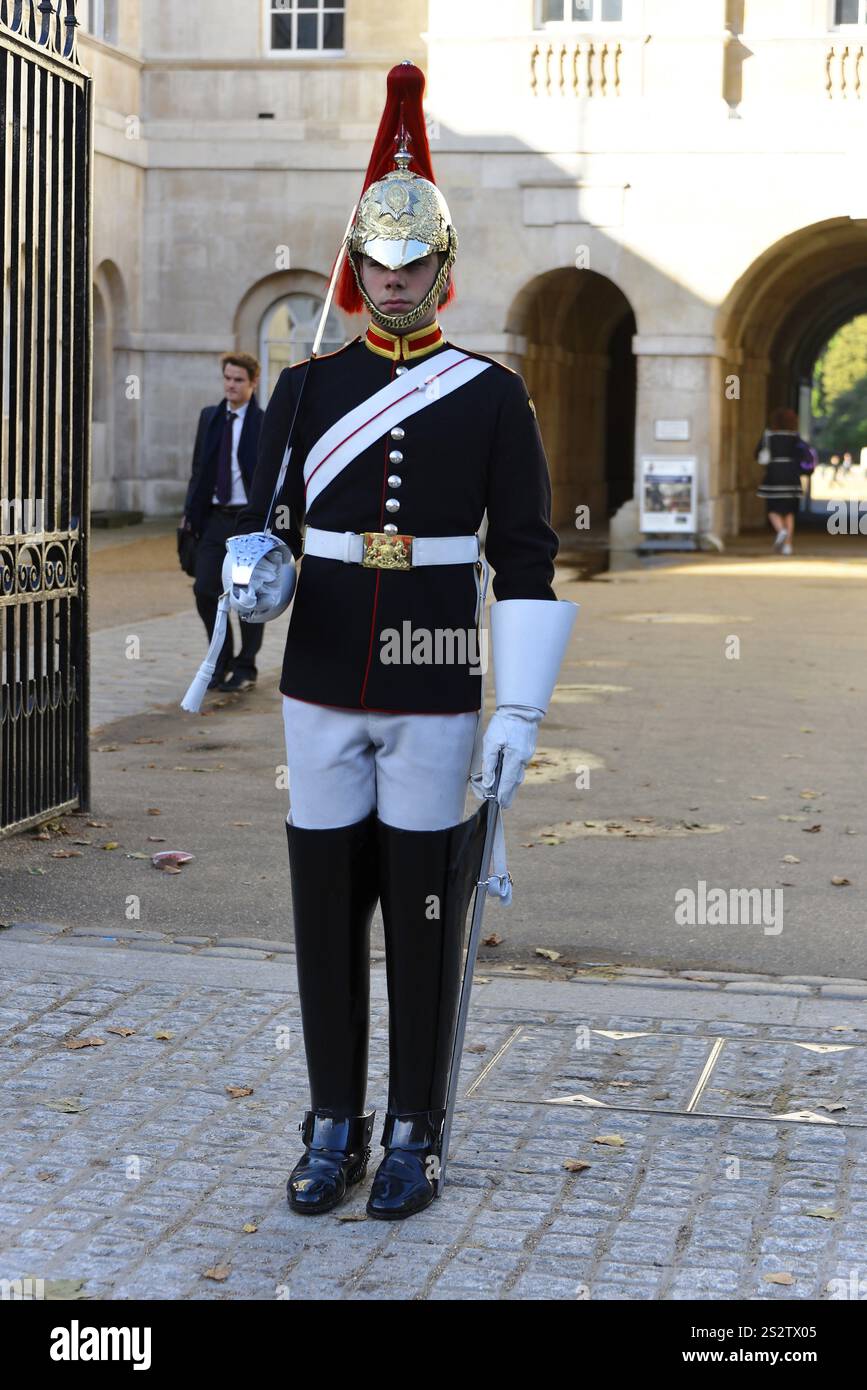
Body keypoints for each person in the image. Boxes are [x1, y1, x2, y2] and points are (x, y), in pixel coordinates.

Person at [232, 62, 577, 1221]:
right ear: (356, 264)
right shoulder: (305, 386)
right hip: (322, 676)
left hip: (436, 682)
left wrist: (519, 712)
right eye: (374, 263)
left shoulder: (492, 397)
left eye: (411, 264)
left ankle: (419, 1126)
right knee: (326, 906)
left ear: (444, 268)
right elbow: (275, 528)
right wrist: (253, 570)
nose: (389, 283)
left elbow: (525, 558)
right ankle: (336, 1117)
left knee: (427, 911)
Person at [181, 352, 266, 691]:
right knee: (205, 589)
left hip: (248, 521)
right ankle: (220, 660)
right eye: (227, 379)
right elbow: (198, 469)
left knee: (247, 597)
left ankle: (246, 667)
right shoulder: (210, 417)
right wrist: (189, 514)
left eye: (238, 380)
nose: (231, 385)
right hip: (214, 518)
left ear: (253, 383)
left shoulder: (264, 421)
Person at [755, 406, 814, 556]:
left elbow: (757, 454)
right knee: (789, 512)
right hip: (791, 475)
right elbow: (804, 454)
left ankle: (780, 530)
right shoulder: (795, 437)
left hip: (774, 473)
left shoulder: (769, 436)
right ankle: (788, 546)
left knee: (773, 510)